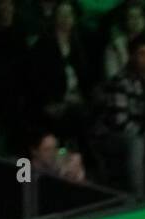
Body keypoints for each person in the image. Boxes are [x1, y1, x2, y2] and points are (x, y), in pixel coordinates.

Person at [93, 33, 145, 196]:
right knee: (137, 143)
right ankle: (139, 198)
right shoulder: (121, 81)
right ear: (132, 56)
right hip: (114, 135)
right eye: (142, 53)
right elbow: (120, 122)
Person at [26, 0, 91, 141]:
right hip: (52, 101)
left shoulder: (79, 43)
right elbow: (37, 80)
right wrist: (58, 100)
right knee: (76, 116)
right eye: (62, 14)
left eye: (69, 14)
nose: (65, 18)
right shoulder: (44, 45)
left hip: (76, 98)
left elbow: (85, 77)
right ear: (55, 17)